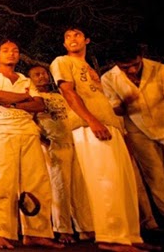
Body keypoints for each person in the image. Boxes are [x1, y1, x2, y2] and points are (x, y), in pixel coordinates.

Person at [50, 27, 154, 252]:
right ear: (64, 44)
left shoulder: (90, 68)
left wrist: (122, 130)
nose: (72, 39)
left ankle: (130, 237)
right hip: (89, 127)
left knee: (123, 183)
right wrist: (91, 121)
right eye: (67, 37)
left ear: (87, 39)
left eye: (77, 35)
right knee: (105, 181)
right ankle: (110, 237)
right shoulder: (62, 62)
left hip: (111, 127)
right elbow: (69, 93)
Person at [100, 43, 164, 244]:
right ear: (116, 64)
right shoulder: (108, 78)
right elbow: (116, 110)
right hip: (138, 130)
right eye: (126, 67)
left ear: (141, 56)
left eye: (135, 64)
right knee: (157, 178)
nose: (132, 70)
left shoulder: (161, 70)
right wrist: (126, 101)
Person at [0, 40, 60, 249]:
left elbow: (39, 104)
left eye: (15, 50)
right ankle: (0, 231)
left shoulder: (24, 79)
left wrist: (13, 101)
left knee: (37, 182)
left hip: (28, 131)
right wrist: (25, 98)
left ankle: (36, 232)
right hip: (2, 131)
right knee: (4, 181)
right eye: (5, 51)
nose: (11, 54)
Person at [28, 65, 94, 244]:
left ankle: (85, 227)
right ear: (31, 79)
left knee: (79, 187)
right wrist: (44, 141)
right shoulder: (34, 98)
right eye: (37, 75)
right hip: (53, 144)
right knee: (60, 188)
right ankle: (63, 228)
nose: (41, 77)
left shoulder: (60, 95)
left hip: (73, 141)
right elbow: (31, 122)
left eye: (43, 73)